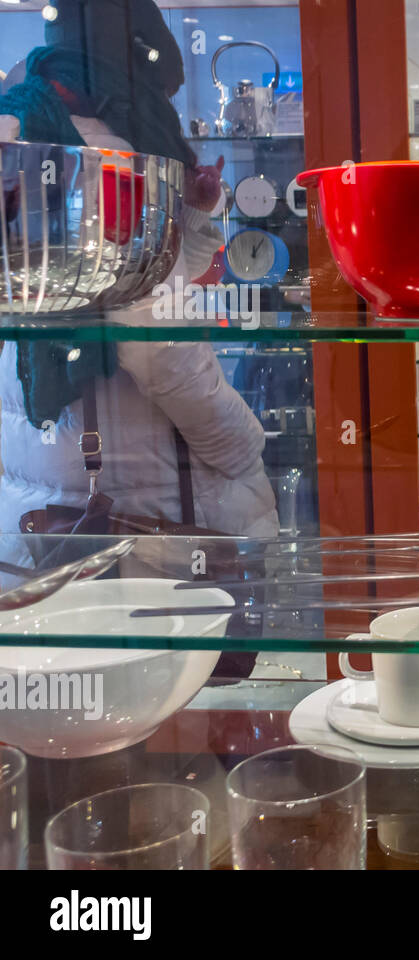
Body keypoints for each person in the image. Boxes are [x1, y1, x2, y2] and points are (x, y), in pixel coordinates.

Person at [0, 0, 276, 674]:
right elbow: (154, 338)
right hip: (144, 489)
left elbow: (151, 280)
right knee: (163, 699)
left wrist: (201, 217)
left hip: (46, 477)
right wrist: (246, 446)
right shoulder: (104, 141)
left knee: (64, 696)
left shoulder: (26, 118)